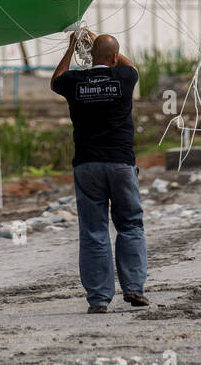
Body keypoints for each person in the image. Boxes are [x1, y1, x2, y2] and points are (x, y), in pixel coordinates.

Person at [50, 31, 147, 314]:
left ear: (91, 56)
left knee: (94, 231)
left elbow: (56, 79)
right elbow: (132, 67)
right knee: (130, 225)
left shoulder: (76, 82)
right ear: (114, 57)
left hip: (87, 165)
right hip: (120, 164)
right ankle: (133, 288)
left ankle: (99, 299)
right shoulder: (124, 78)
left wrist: (71, 49)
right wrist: (95, 38)